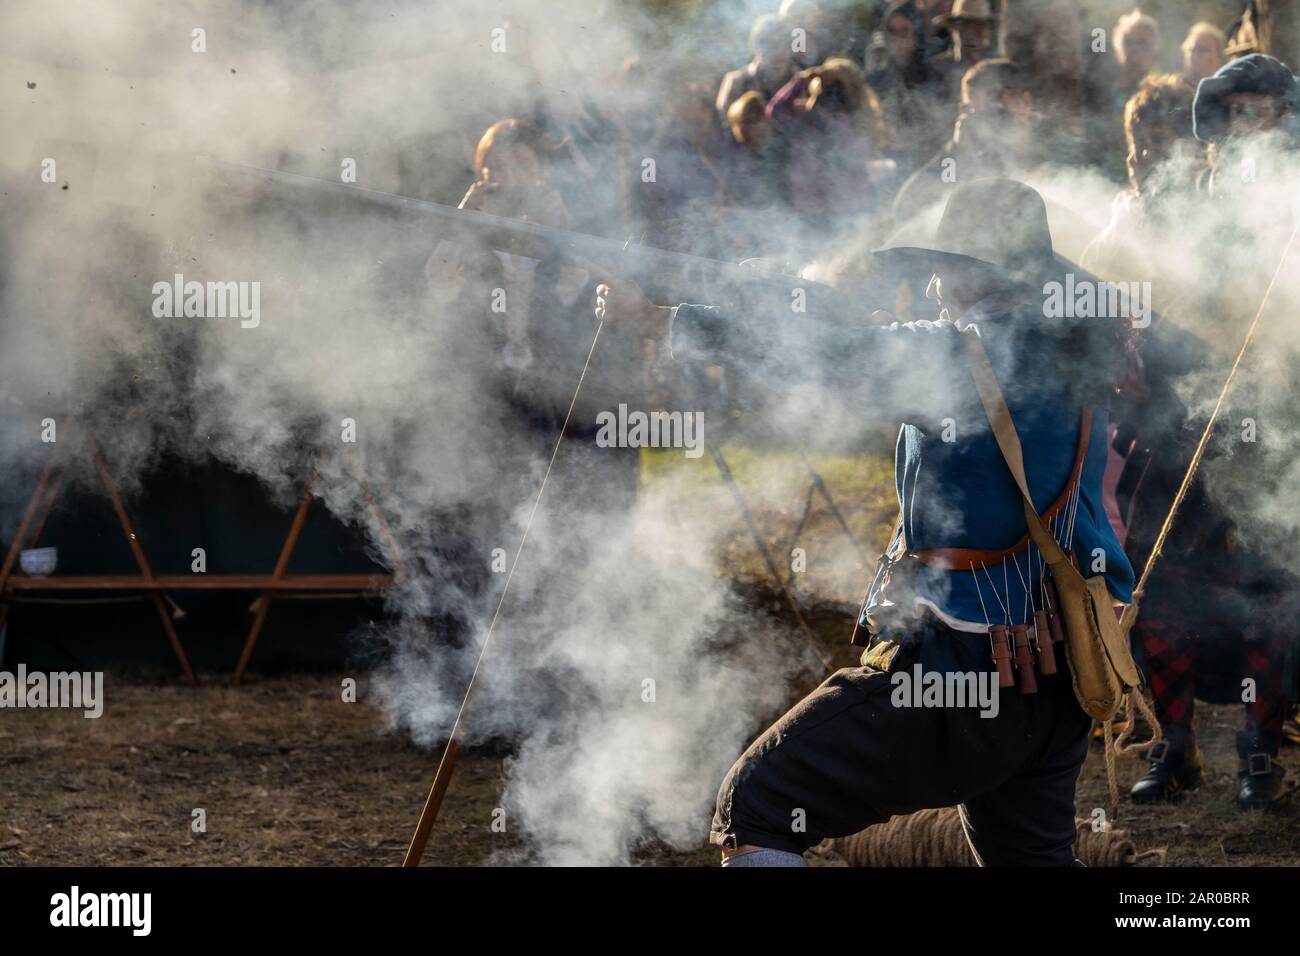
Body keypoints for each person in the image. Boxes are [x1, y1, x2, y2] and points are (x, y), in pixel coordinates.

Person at [595, 179, 1134, 865]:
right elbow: (851, 339)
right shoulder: (1068, 348)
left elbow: (831, 358)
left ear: (978, 271)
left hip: (965, 669)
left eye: (946, 265)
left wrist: (668, 322)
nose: (933, 282)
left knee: (756, 805)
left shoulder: (963, 354)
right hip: (1056, 671)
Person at [890, 59, 1037, 224]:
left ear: (1025, 102)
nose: (990, 121)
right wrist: (957, 150)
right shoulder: (956, 160)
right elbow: (910, 205)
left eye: (998, 107)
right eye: (973, 111)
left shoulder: (1053, 144)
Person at [865, 0, 947, 174]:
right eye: (892, 33)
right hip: (887, 172)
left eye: (904, 32)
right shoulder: (875, 81)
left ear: (916, 34)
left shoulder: (936, 79)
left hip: (927, 172)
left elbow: (941, 136)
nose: (897, 40)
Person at [716, 14, 797, 123]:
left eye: (784, 41)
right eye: (772, 43)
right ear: (758, 46)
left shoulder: (800, 79)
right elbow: (726, 126)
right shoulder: (737, 83)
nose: (780, 49)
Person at [929, 0, 997, 108]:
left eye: (978, 28)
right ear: (953, 30)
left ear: (987, 32)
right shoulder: (935, 69)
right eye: (964, 27)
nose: (971, 35)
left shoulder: (997, 69)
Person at [1181, 21, 1226, 91]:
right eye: (1191, 49)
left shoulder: (1228, 90)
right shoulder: (1175, 91)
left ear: (1218, 56)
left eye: (1202, 49)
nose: (1194, 55)